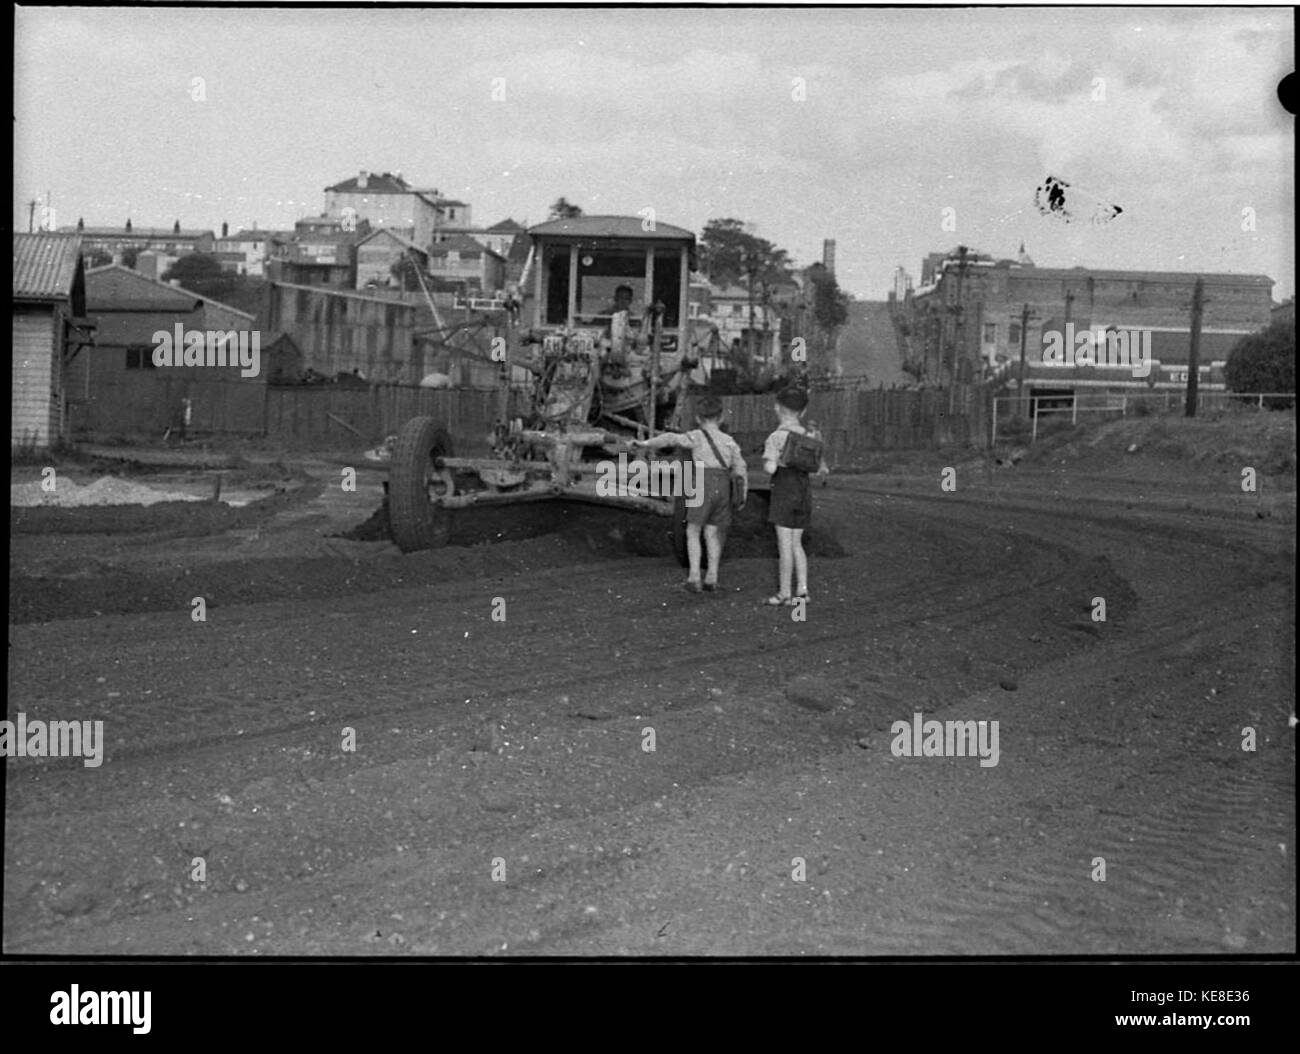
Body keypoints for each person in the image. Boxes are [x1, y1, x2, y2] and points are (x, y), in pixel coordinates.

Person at [631, 395, 745, 593]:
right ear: (721, 418)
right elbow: (740, 469)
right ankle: (712, 577)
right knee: (713, 533)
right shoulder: (730, 441)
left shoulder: (697, 437)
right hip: (724, 485)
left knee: (693, 530)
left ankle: (694, 577)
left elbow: (670, 438)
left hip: (702, 482)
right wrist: (742, 496)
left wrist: (645, 444)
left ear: (698, 419)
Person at [762, 387, 828, 605]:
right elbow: (819, 469)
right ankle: (802, 590)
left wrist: (770, 461)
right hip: (803, 491)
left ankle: (784, 592)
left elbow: (771, 469)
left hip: (784, 490)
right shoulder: (810, 436)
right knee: (797, 544)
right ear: (803, 411)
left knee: (784, 545)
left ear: (778, 409)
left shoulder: (776, 437)